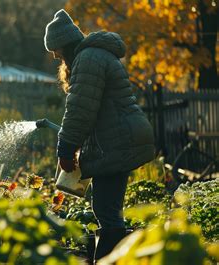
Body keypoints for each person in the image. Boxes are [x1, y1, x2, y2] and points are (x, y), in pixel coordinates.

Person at [43, 9, 155, 263]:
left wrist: (66, 149)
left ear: (64, 43)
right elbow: (91, 110)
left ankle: (113, 259)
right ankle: (122, 257)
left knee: (106, 210)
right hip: (119, 138)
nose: (55, 55)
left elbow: (80, 110)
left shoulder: (88, 59)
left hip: (119, 140)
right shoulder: (92, 56)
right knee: (107, 209)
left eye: (55, 49)